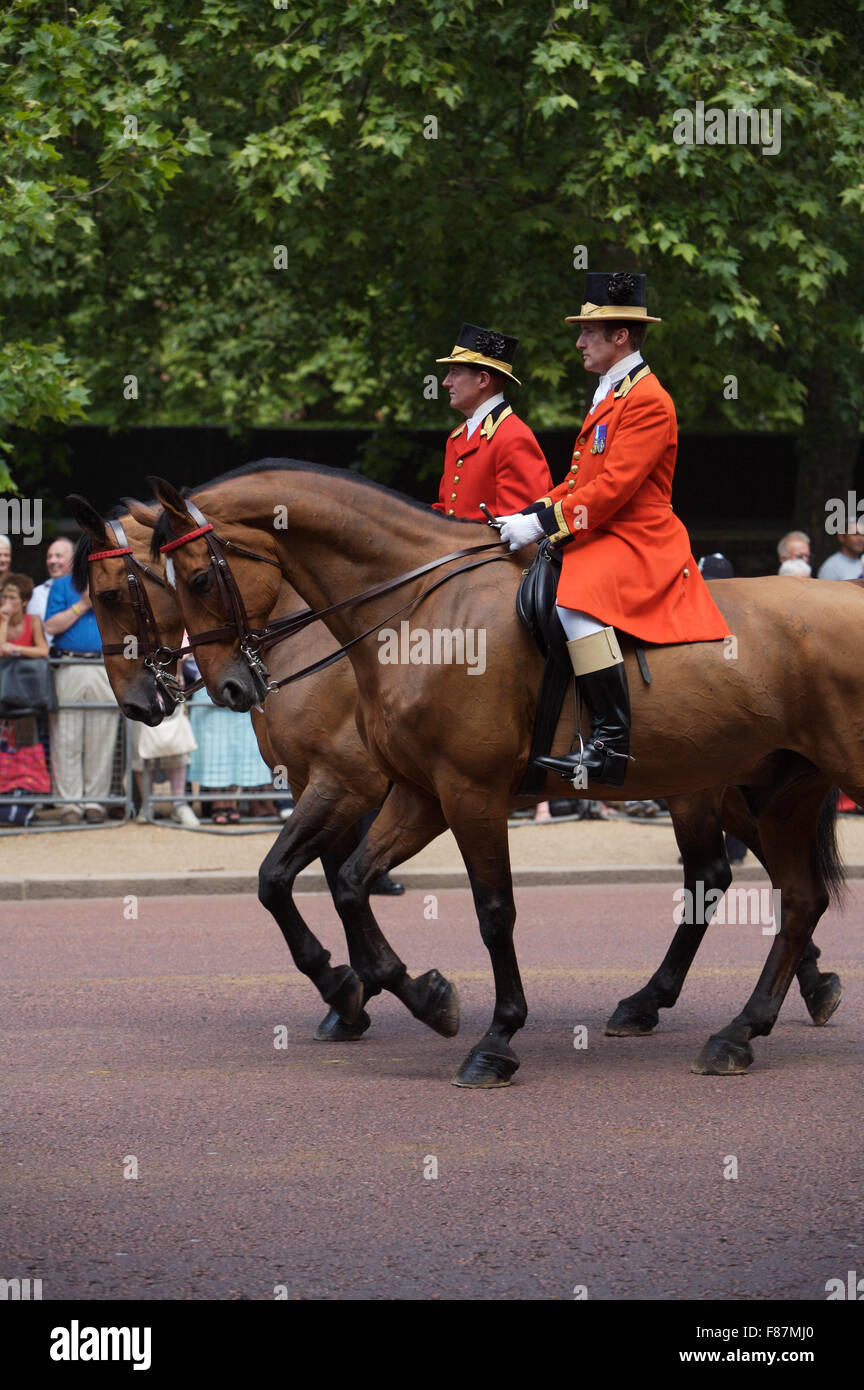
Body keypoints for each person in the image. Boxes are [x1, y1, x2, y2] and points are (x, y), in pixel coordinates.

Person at [498, 271, 728, 787]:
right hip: (602, 528)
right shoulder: (611, 394)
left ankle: (611, 740)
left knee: (574, 604)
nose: (578, 341)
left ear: (619, 336)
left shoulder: (648, 398)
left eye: (588, 333)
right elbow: (579, 481)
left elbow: (614, 489)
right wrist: (530, 512)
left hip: (638, 536)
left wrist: (540, 525)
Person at [434, 323, 553, 518]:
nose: (446, 382)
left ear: (483, 380)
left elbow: (523, 527)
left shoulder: (513, 436)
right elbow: (444, 510)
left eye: (454, 372)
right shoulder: (457, 436)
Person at [44, 562, 120, 825]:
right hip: (69, 664)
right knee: (66, 735)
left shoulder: (111, 581)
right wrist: (83, 604)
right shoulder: (62, 585)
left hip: (103, 665)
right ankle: (69, 804)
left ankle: (95, 802)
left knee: (103, 736)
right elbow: (51, 626)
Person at [1, 573, 50, 659]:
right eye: (4, 597)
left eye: (12, 598)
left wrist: (16, 649)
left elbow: (43, 650)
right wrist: (4, 621)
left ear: (24, 602)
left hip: (25, 670)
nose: (6, 602)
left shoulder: (33, 620)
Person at [28, 537, 75, 623]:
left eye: (58, 556)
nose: (52, 561)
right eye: (49, 556)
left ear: (73, 560)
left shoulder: (85, 590)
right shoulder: (37, 593)